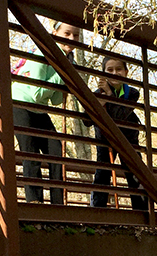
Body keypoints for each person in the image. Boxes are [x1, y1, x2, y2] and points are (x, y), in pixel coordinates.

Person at [12, 22, 80, 204]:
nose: (71, 39)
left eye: (76, 35)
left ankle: (57, 203)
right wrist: (62, 72)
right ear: (54, 33)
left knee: (55, 149)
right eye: (66, 34)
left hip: (39, 109)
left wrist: (66, 78)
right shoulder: (43, 52)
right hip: (20, 104)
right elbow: (36, 93)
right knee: (31, 153)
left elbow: (56, 100)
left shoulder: (68, 60)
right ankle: (34, 202)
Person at [88, 56, 147, 211]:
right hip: (105, 139)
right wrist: (99, 101)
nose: (115, 73)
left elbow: (120, 115)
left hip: (128, 139)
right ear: (104, 73)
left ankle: (141, 212)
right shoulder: (97, 93)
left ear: (126, 72)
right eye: (110, 70)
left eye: (119, 69)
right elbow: (86, 120)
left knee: (136, 173)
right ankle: (97, 210)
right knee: (102, 174)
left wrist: (109, 96)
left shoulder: (131, 93)